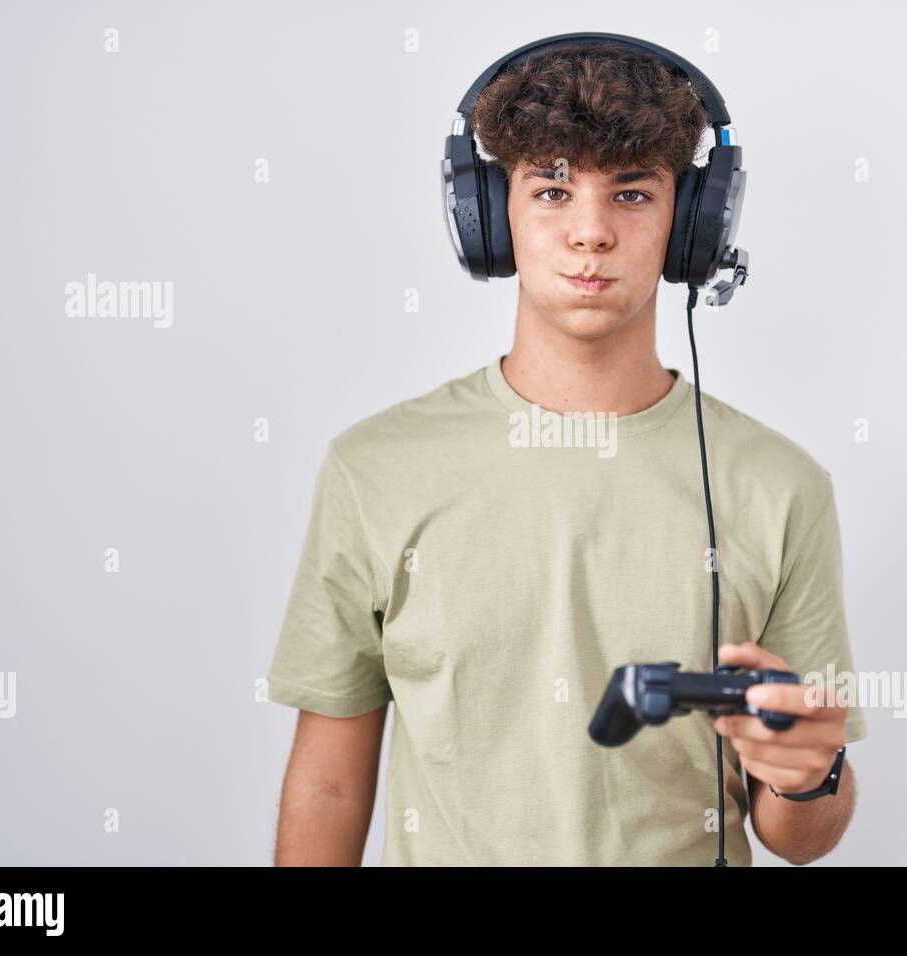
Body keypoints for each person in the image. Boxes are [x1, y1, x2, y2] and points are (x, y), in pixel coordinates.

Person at [265, 40, 867, 866]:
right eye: (552, 189)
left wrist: (809, 774)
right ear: (488, 217)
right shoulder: (373, 469)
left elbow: (802, 837)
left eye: (630, 193)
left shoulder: (782, 487)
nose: (591, 233)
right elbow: (329, 786)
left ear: (691, 225)